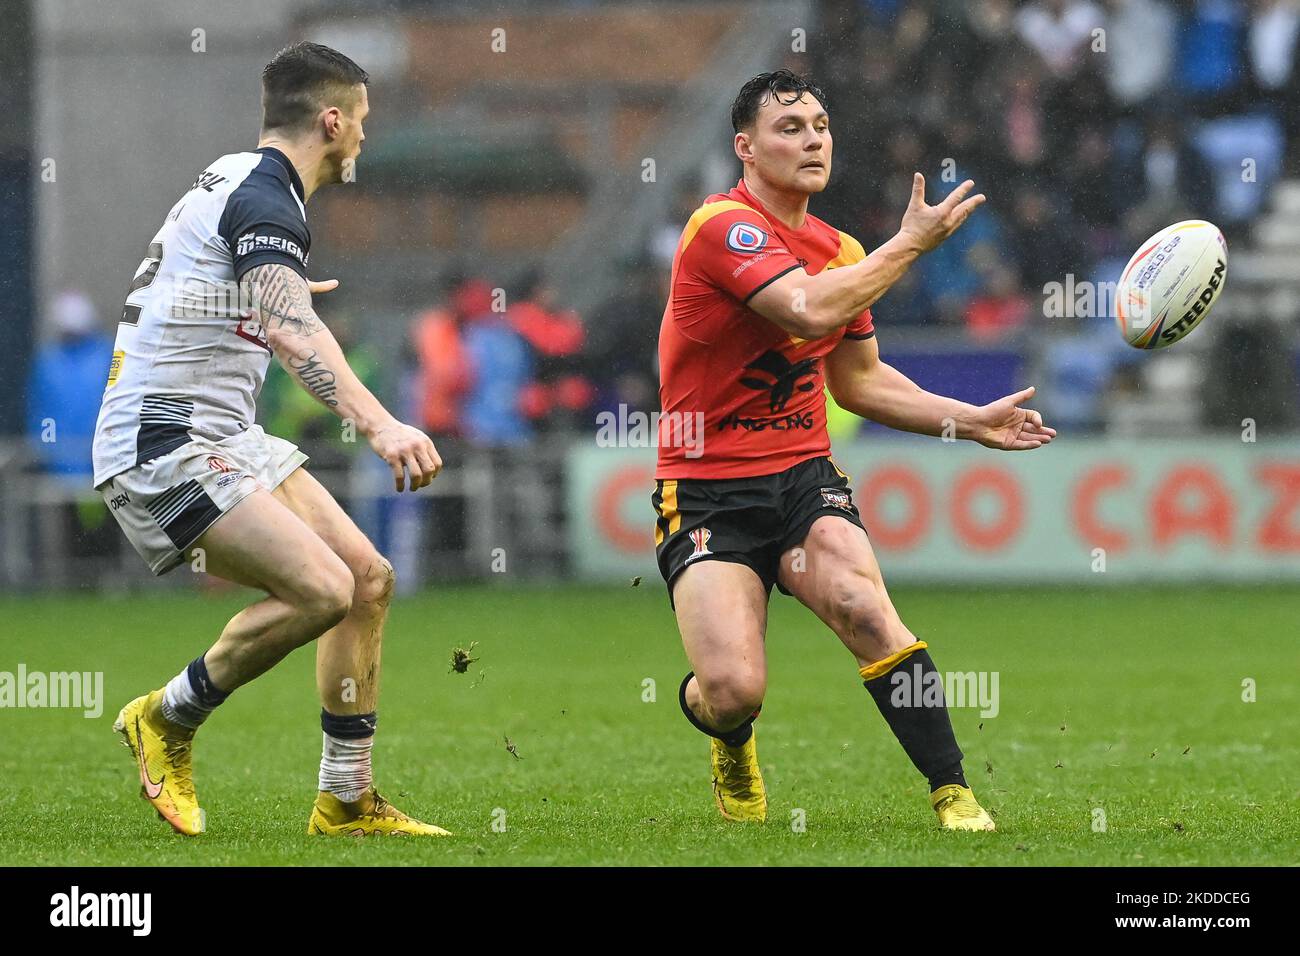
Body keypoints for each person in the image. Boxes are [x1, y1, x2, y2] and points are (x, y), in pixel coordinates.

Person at [653, 71, 1055, 830]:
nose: (811, 140)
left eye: (820, 125)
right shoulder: (720, 228)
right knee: (733, 689)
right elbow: (804, 311)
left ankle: (953, 792)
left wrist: (972, 422)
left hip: (803, 479)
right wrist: (910, 243)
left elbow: (860, 382)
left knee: (866, 610)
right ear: (744, 147)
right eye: (789, 128)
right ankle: (729, 738)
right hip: (707, 491)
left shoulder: (841, 248)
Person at [92, 42, 447, 837]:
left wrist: (257, 298)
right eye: (361, 118)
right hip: (165, 447)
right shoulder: (267, 201)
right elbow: (292, 332)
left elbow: (210, 287)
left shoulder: (238, 179)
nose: (364, 134)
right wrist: (382, 423)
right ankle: (167, 717)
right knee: (321, 590)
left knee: (366, 579)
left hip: (223, 434)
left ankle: (346, 798)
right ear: (332, 120)